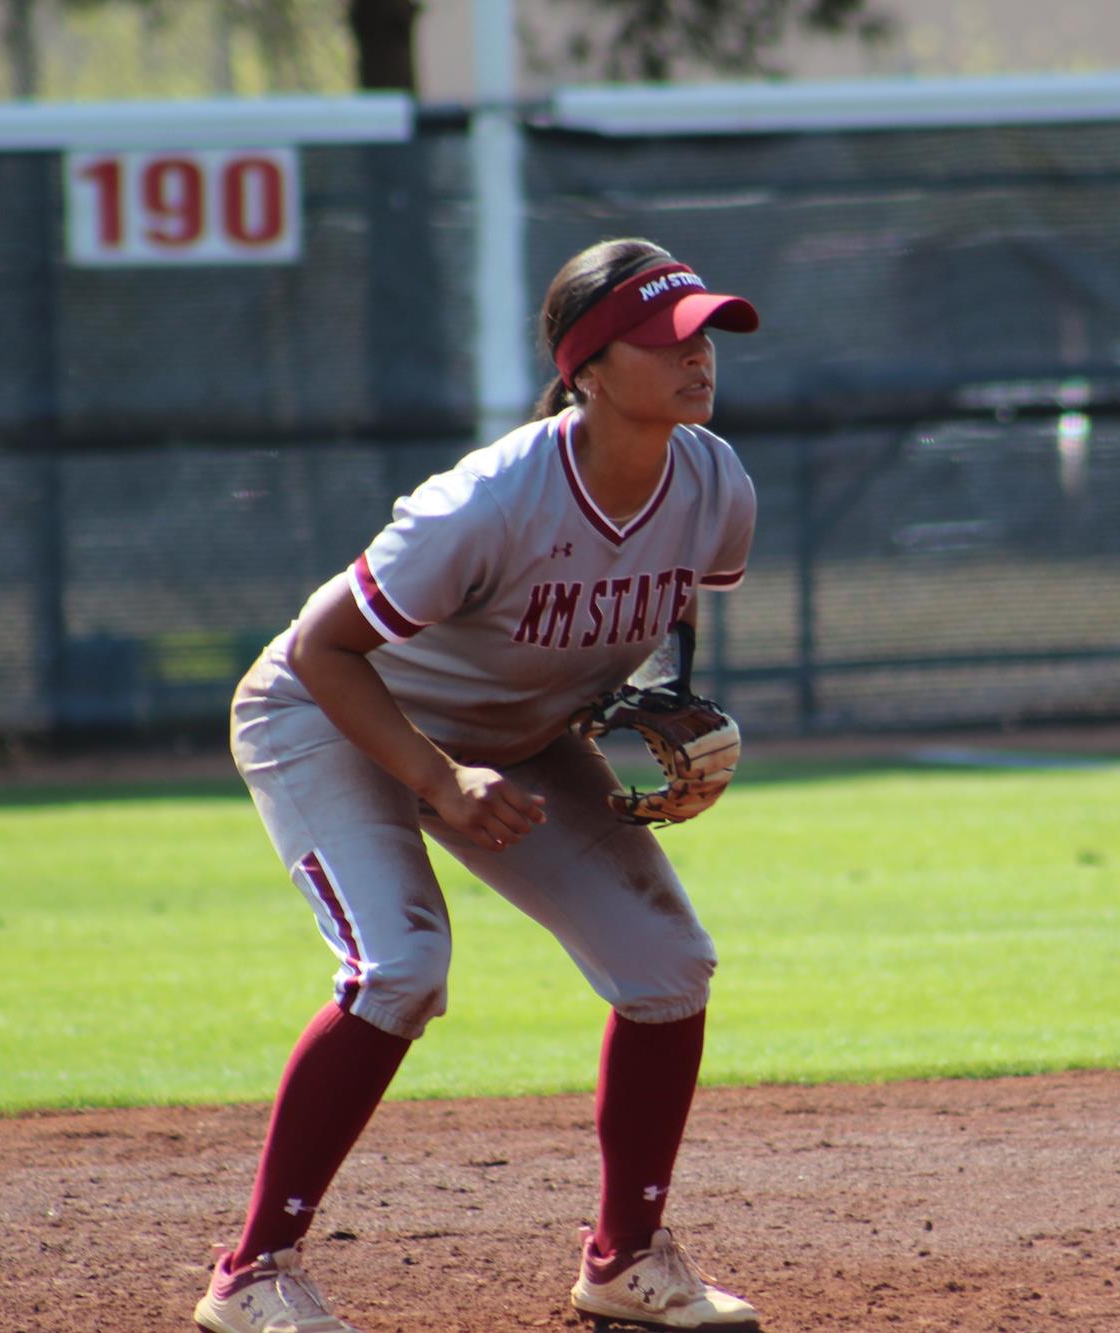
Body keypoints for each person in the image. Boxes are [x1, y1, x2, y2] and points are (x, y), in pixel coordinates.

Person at [192, 237, 764, 1333]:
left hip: (517, 737)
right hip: (330, 717)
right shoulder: (489, 501)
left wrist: (663, 702)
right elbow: (323, 650)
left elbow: (660, 605)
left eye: (705, 338)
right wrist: (441, 779)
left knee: (666, 961)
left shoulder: (712, 480)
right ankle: (251, 1272)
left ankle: (626, 1258)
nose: (700, 361)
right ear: (587, 369)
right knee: (399, 966)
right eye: (668, 341)